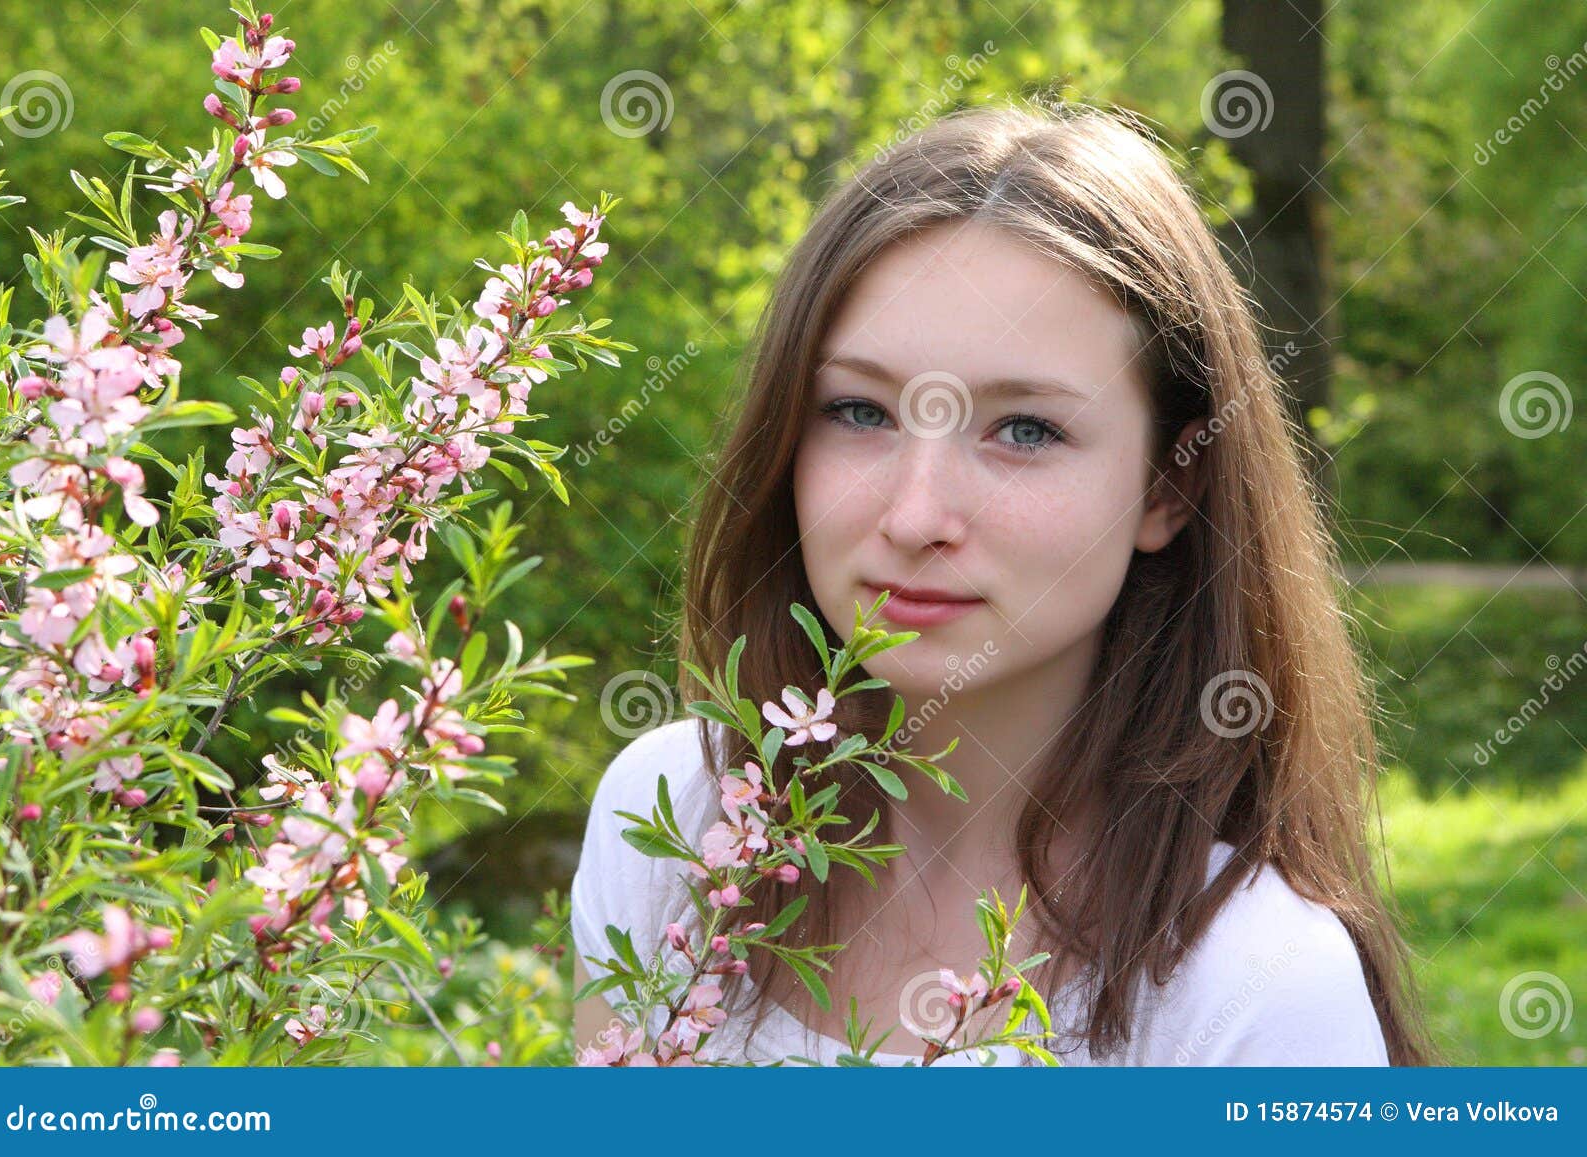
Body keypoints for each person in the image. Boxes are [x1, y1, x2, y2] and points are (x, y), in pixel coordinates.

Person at [571, 97, 1438, 1066]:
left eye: (1023, 429)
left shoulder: (1256, 990)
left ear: (1168, 483)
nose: (914, 514)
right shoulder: (674, 822)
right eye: (859, 409)